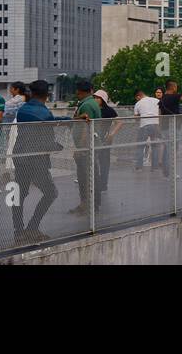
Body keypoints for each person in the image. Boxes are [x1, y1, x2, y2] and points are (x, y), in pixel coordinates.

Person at [10, 79, 61, 245]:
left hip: (20, 157)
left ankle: (19, 231)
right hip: (36, 159)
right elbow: (47, 137)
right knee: (51, 192)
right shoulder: (44, 112)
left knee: (19, 194)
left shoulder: (24, 109)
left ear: (32, 93)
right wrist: (57, 146)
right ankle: (32, 227)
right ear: (47, 95)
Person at [68, 79, 102, 215]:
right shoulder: (91, 102)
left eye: (77, 90)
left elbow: (85, 129)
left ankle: (86, 205)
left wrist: (80, 149)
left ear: (81, 91)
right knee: (92, 175)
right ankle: (93, 204)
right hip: (91, 146)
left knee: (84, 177)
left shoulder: (86, 105)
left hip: (86, 148)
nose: (76, 93)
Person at [158, 78, 182, 175]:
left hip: (165, 128)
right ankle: (171, 172)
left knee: (167, 149)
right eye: (176, 87)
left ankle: (166, 171)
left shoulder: (163, 99)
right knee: (173, 150)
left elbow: (160, 114)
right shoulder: (173, 97)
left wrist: (160, 127)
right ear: (173, 87)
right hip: (173, 128)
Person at [93, 88, 121, 194]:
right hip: (93, 139)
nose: (95, 99)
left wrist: (112, 134)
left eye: (98, 98)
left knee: (104, 163)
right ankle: (94, 182)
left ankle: (103, 185)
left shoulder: (109, 110)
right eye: (94, 97)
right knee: (93, 161)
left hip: (104, 140)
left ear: (103, 99)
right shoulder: (93, 109)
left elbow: (119, 122)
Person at [133, 88, 161, 170]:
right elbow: (160, 112)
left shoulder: (138, 103)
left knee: (140, 146)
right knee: (155, 146)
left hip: (144, 125)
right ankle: (155, 167)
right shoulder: (156, 100)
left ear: (138, 96)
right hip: (156, 124)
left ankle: (139, 167)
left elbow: (136, 118)